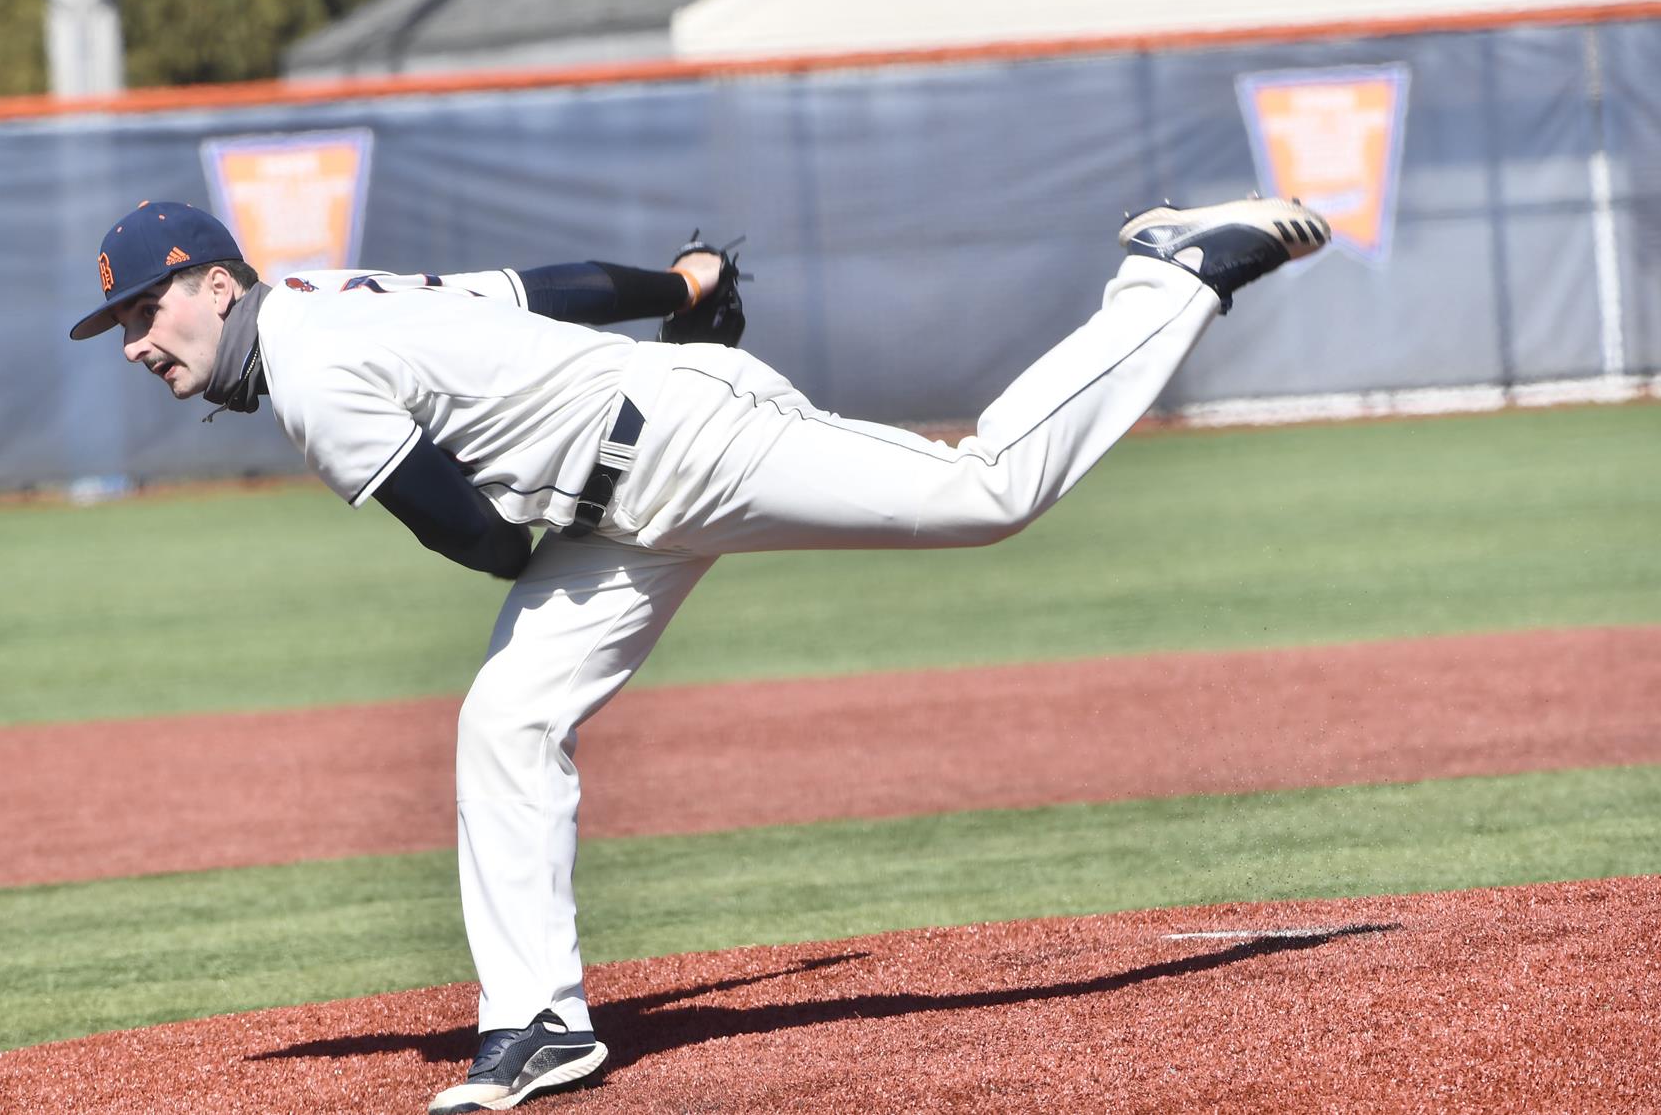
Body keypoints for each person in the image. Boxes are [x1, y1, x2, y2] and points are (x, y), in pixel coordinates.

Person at [69, 195, 1329, 1112]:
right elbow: (541, 287)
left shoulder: (307, 372)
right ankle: (535, 1026)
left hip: (683, 450)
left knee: (984, 493)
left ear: (214, 284)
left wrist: (655, 375)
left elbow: (479, 546)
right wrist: (676, 291)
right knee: (504, 723)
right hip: (620, 493)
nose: (133, 339)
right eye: (120, 320)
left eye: (141, 307)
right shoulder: (328, 292)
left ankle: (1169, 276)